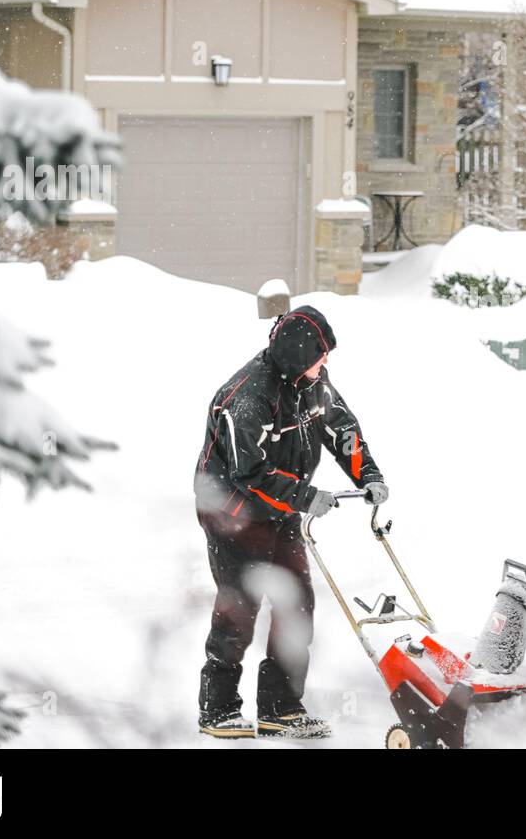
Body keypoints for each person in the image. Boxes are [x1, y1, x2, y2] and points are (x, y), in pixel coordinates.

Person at [192, 306, 387, 739]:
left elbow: (343, 429)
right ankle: (218, 709)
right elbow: (248, 473)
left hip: (280, 509)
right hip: (232, 512)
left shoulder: (311, 383)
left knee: (297, 604)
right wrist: (304, 496)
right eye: (321, 355)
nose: (326, 364)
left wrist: (368, 474)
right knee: (240, 607)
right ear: (298, 355)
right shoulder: (248, 396)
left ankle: (280, 707)